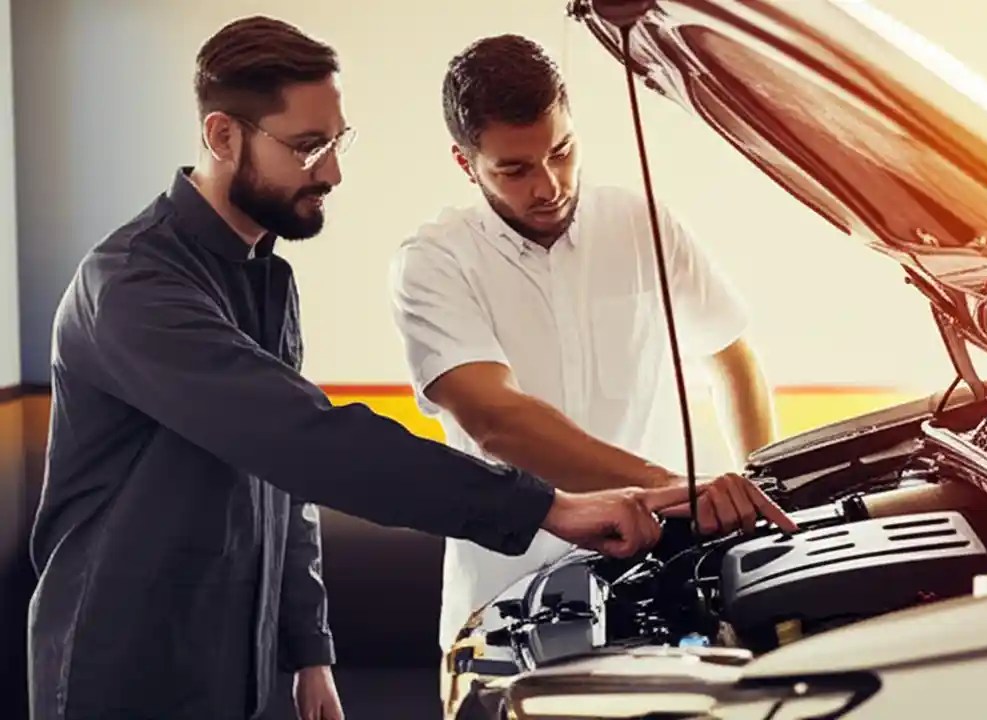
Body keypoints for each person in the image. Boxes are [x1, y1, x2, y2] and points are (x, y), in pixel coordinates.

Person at [27, 17, 703, 720]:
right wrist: (549, 507)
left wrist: (308, 652)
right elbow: (306, 441)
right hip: (125, 670)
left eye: (337, 139)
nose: (333, 170)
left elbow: (284, 488)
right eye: (308, 146)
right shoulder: (135, 287)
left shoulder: (267, 278)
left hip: (242, 664)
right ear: (224, 137)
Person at [388, 34, 795, 705]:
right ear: (466, 162)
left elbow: (733, 356)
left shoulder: (643, 224)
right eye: (514, 169)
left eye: (562, 151)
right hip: (505, 614)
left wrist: (761, 487)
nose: (548, 185)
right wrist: (672, 486)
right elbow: (497, 421)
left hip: (658, 582)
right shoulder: (432, 262)